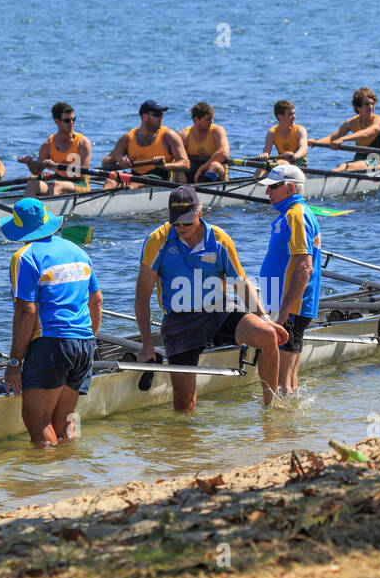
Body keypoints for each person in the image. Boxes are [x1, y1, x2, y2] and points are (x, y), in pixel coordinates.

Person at [135, 186, 288, 411]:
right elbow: (141, 297)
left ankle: (271, 405)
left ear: (199, 213)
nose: (181, 228)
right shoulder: (157, 240)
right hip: (179, 320)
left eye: (187, 222)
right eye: (176, 223)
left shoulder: (219, 240)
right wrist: (146, 345)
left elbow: (241, 284)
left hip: (219, 311)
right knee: (185, 406)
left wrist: (264, 317)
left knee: (267, 334)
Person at [0, 197, 102, 446]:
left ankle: (48, 482)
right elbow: (97, 300)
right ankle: (69, 475)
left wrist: (14, 362)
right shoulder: (78, 251)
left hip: (51, 344)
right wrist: (89, 341)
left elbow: (27, 311)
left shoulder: (24, 257)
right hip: (84, 342)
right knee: (65, 420)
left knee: (38, 422)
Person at [258, 163, 321, 395]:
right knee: (289, 383)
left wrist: (284, 312)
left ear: (290, 188)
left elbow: (305, 266)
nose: (267, 193)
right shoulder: (292, 213)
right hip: (288, 306)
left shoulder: (296, 215)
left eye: (273, 187)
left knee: (282, 384)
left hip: (290, 307)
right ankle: (293, 428)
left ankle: (280, 428)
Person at [24, 102, 107, 198]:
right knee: (32, 185)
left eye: (73, 119)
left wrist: (54, 168)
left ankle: (51, 210)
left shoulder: (83, 143)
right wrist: (29, 163)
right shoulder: (47, 145)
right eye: (67, 120)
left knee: (57, 185)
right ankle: (25, 211)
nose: (72, 123)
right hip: (58, 183)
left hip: (80, 185)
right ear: (57, 121)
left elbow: (80, 174)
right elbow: (37, 171)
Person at [102, 100, 190, 185]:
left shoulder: (169, 136)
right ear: (144, 117)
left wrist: (164, 166)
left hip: (160, 179)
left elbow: (185, 164)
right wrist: (117, 157)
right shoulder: (128, 138)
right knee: (110, 181)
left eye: (161, 115)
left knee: (138, 181)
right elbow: (105, 163)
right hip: (135, 178)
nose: (161, 118)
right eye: (157, 115)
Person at [311, 87, 380, 173]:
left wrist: (343, 139)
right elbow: (332, 137)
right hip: (358, 158)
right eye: (366, 104)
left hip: (375, 161)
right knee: (339, 168)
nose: (371, 107)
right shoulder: (352, 122)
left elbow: (366, 133)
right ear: (358, 107)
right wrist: (315, 143)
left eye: (372, 104)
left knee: (350, 166)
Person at [179, 101, 230, 183]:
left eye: (212, 118)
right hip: (192, 169)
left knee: (215, 166)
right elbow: (177, 158)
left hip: (213, 171)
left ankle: (203, 187)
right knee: (179, 170)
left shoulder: (217, 131)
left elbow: (223, 154)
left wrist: (202, 169)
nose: (212, 122)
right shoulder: (185, 135)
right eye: (208, 119)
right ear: (196, 119)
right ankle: (180, 192)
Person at [260, 99, 309, 167]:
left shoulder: (300, 130)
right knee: (263, 167)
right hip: (283, 164)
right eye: (290, 114)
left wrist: (295, 156)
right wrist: (265, 154)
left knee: (280, 162)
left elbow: (303, 148)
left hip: (299, 164)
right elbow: (266, 151)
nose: (294, 117)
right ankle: (258, 177)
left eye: (294, 114)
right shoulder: (272, 132)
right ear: (280, 117)